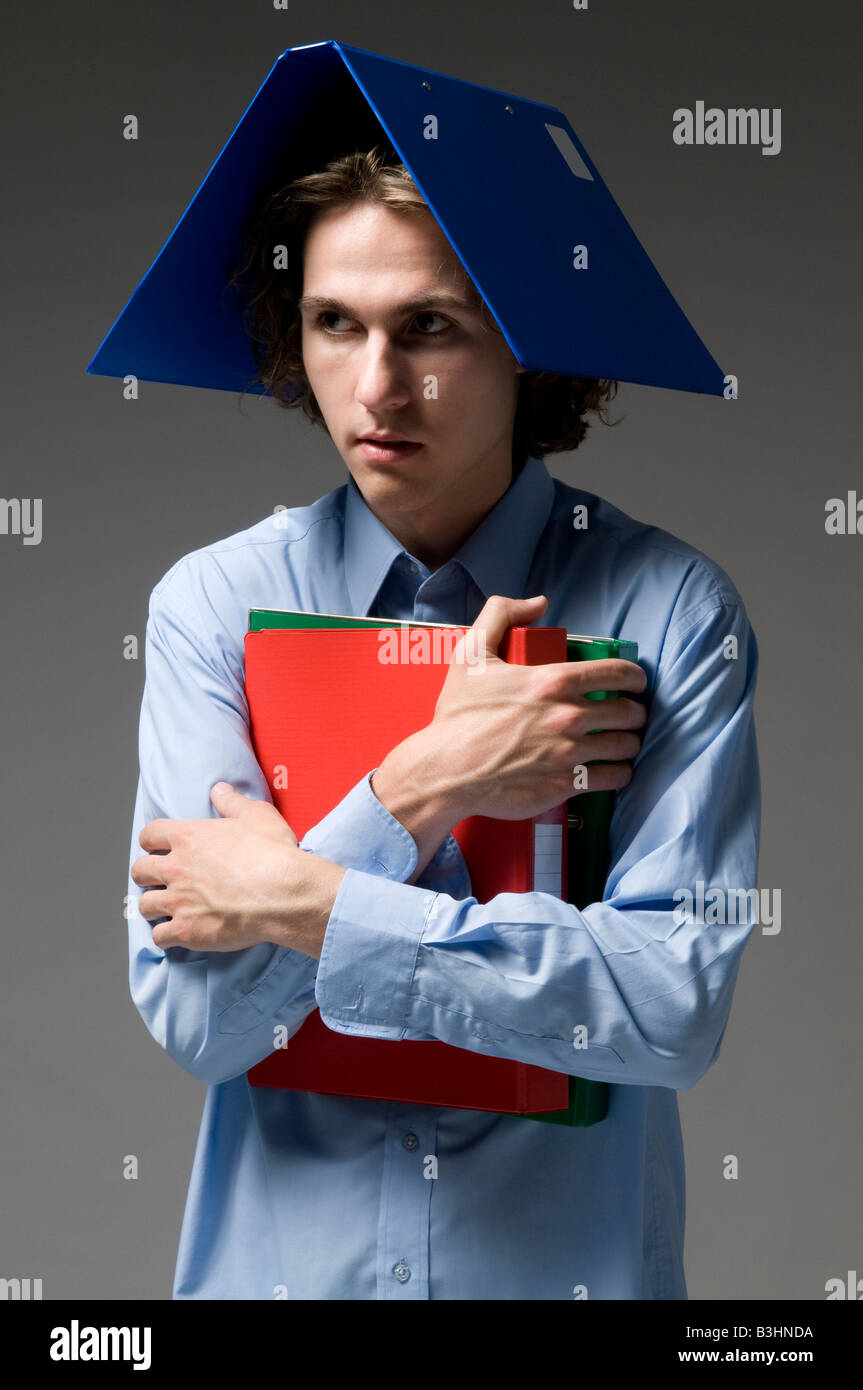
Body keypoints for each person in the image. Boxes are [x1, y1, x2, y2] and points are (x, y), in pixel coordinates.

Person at [127, 146, 761, 1300]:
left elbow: (669, 1012)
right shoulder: (208, 608)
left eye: (426, 327)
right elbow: (201, 1020)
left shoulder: (669, 611)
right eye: (332, 322)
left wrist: (302, 898)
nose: (372, 386)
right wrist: (420, 787)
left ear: (524, 344)